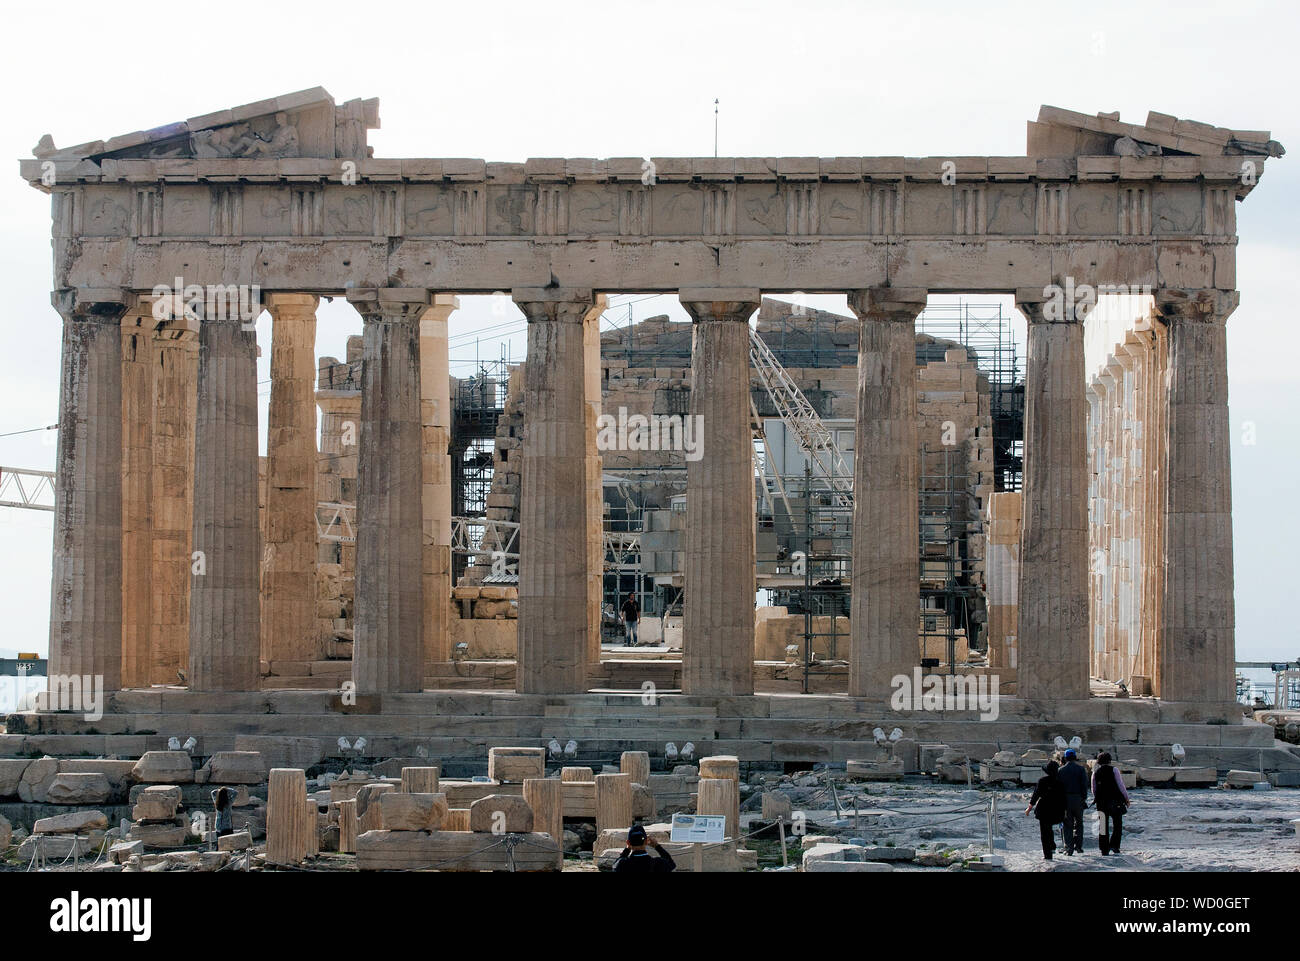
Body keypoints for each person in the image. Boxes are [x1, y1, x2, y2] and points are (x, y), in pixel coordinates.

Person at [1024, 760, 1066, 860]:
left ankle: (1048, 854)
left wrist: (1029, 808)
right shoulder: (1060, 782)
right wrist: (1065, 811)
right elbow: (1063, 798)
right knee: (1049, 828)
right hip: (1056, 809)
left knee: (1045, 832)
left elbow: (1036, 795)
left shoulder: (1042, 780)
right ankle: (1052, 846)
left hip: (1044, 809)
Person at [1091, 752, 1131, 855]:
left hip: (1101, 802)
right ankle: (1115, 846)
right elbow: (1120, 785)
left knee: (1103, 825)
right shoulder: (1114, 770)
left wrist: (1097, 798)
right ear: (1109, 760)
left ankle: (1104, 848)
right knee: (1117, 824)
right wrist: (1126, 798)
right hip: (1115, 801)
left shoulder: (1095, 772)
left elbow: (1094, 789)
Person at [1057, 749, 1090, 854]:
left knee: (1067, 824)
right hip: (1078, 799)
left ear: (1065, 758)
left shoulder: (1061, 770)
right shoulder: (1081, 769)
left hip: (1065, 800)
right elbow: (1084, 786)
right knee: (1079, 823)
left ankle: (1069, 848)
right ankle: (1079, 846)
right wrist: (1083, 798)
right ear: (1075, 757)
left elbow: (1059, 787)